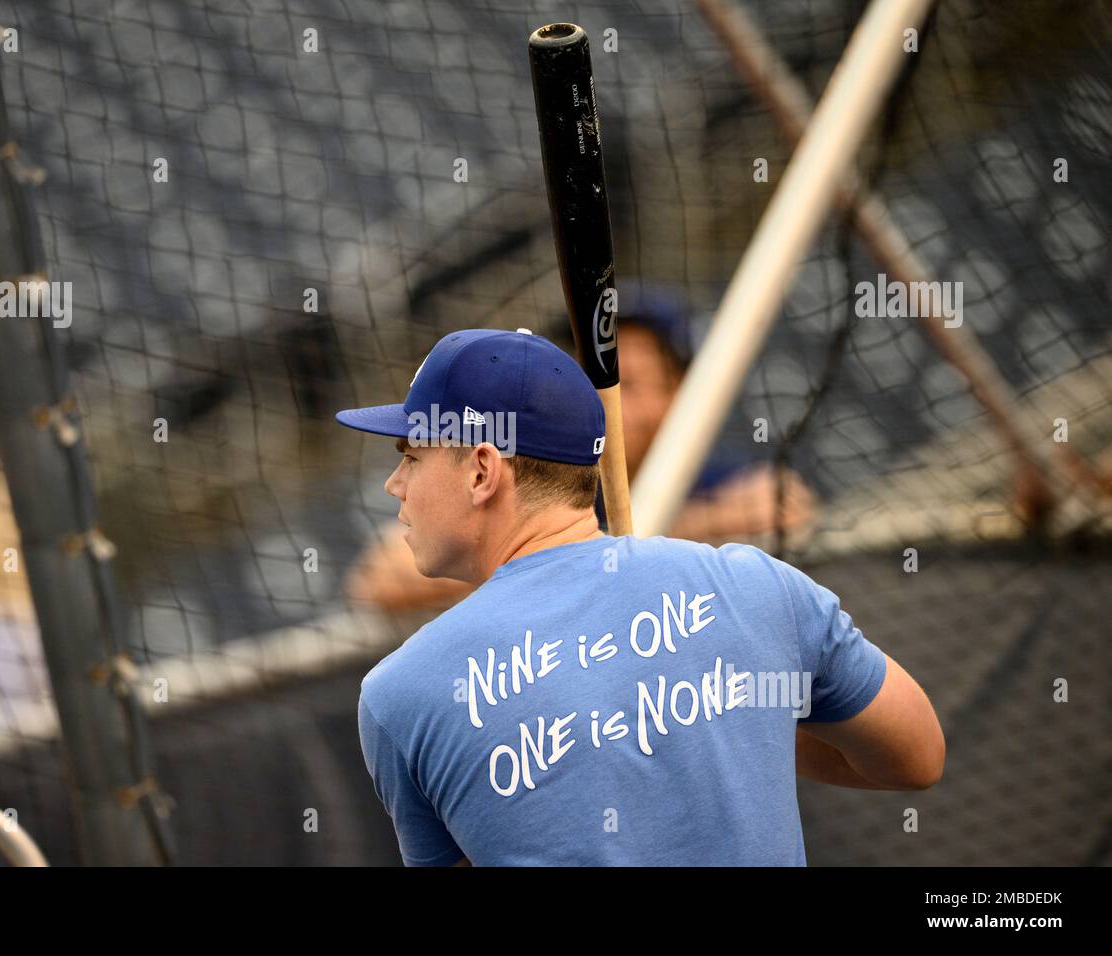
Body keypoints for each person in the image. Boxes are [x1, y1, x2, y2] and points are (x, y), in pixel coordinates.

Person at [336, 327, 943, 866]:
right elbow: (916, 757)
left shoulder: (401, 694)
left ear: (481, 470)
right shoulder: (755, 584)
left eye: (412, 456)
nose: (396, 482)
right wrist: (735, 716)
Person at [343, 279, 816, 612]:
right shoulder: (545, 483)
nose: (603, 403)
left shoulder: (718, 479)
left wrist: (581, 552)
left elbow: (785, 505)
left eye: (627, 385)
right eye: (586, 384)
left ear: (677, 395)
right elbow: (381, 577)